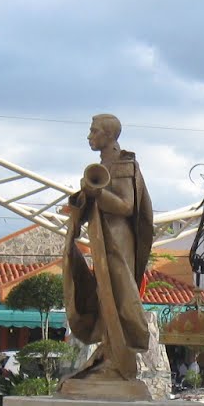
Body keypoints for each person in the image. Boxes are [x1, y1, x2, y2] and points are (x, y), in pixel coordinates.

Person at [62, 113, 154, 386]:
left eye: (93, 131)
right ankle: (108, 355)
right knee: (105, 297)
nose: (89, 136)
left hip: (118, 239)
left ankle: (120, 360)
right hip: (102, 240)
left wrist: (97, 193)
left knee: (118, 295)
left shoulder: (123, 164)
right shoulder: (102, 164)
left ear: (109, 135)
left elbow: (126, 206)